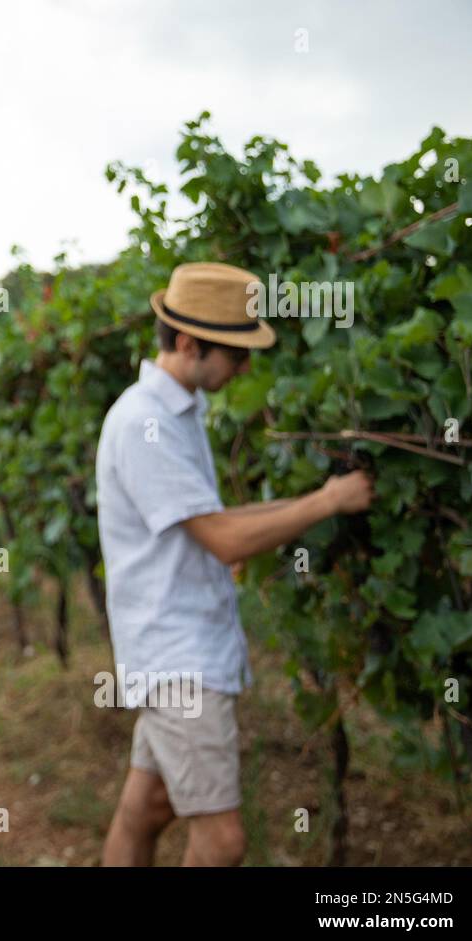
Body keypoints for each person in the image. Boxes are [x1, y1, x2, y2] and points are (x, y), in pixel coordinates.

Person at [95, 261, 373, 866]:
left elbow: (213, 518)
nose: (246, 367)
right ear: (190, 344)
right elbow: (223, 538)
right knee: (222, 842)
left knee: (145, 810)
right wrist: (327, 503)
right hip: (179, 661)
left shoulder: (176, 411)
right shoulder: (146, 423)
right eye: (237, 354)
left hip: (176, 649)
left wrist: (320, 496)